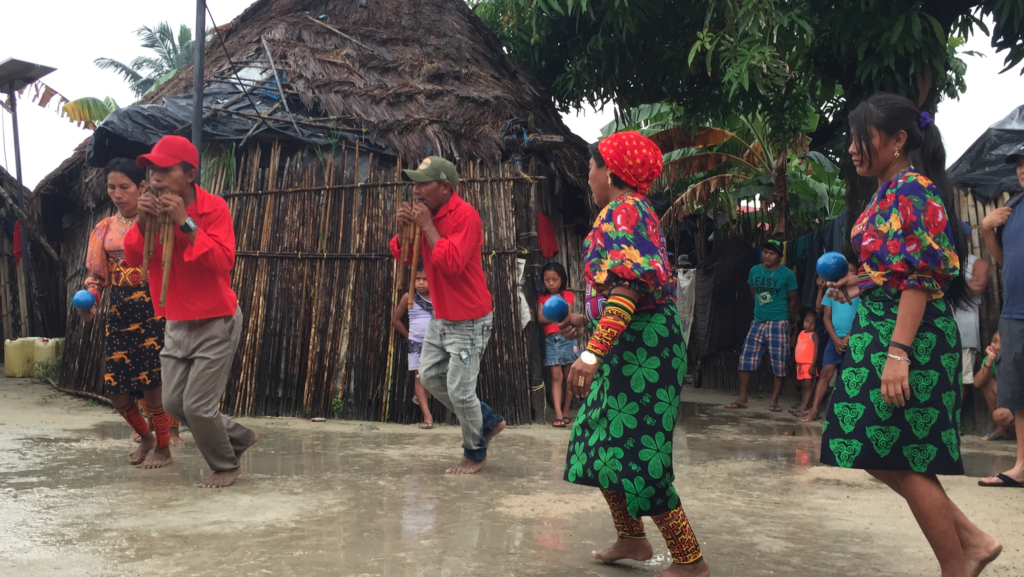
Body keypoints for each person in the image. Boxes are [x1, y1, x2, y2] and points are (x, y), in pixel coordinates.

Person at [822, 93, 1001, 576]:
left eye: (862, 138)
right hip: (879, 331)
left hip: (909, 339)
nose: (853, 148)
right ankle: (972, 542)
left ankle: (957, 565)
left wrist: (898, 353)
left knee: (904, 457)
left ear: (898, 140)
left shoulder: (913, 191)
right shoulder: (886, 191)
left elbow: (922, 277)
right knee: (867, 447)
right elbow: (894, 270)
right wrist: (857, 282)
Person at [558, 132, 710, 577]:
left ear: (611, 171)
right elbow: (633, 291)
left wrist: (591, 354)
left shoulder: (626, 211)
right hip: (630, 340)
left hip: (645, 349)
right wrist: (588, 322)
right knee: (596, 441)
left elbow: (629, 287)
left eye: (591, 167)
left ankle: (689, 560)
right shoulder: (625, 213)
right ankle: (632, 538)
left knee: (640, 452)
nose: (588, 176)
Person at [123, 135, 258, 489]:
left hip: (216, 319)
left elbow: (224, 260)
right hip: (177, 321)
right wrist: (140, 223)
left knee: (197, 406)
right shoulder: (148, 209)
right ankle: (239, 437)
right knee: (173, 403)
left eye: (166, 170)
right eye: (152, 169)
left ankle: (226, 464)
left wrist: (185, 222)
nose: (156, 177)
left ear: (191, 174)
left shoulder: (214, 208)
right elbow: (134, 259)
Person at [390, 156, 505, 475]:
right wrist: (403, 230)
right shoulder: (428, 215)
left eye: (423, 183)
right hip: (443, 314)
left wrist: (427, 226)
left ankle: (475, 452)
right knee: (427, 375)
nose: (416, 190)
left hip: (469, 317)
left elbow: (452, 263)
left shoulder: (465, 215)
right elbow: (407, 257)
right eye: (414, 183)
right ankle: (489, 421)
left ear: (444, 186)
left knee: (459, 390)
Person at [81, 158, 174, 469]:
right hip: (120, 313)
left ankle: (163, 448)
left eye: (125, 187)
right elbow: (96, 277)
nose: (117, 194)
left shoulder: (159, 224)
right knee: (117, 390)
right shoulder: (104, 229)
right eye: (111, 187)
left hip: (154, 311)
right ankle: (145, 436)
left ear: (142, 187)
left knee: (153, 388)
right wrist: (91, 301)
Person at [978, 144, 1024, 488]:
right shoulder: (1013, 206)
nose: (1022, 170)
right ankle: (1021, 466)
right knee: (1018, 391)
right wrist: (986, 229)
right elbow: (1004, 260)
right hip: (1014, 311)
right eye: (1020, 165)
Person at [726, 239, 799, 411]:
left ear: (780, 257)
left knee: (779, 361)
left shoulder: (787, 275)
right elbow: (754, 292)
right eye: (765, 251)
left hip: (778, 321)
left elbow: (793, 299)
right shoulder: (755, 270)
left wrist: (787, 320)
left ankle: (774, 401)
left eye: (772, 253)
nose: (767, 255)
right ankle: (742, 399)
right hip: (758, 321)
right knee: (745, 359)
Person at [800, 262, 862, 422]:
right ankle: (814, 410)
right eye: (844, 272)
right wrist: (835, 339)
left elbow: (861, 316)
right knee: (826, 373)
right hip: (834, 339)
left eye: (851, 272)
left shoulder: (860, 292)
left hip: (854, 338)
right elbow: (826, 317)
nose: (846, 275)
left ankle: (847, 413)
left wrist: (848, 337)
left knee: (852, 375)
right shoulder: (831, 291)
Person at [390, 267, 435, 429]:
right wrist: (410, 336)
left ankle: (423, 395)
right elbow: (396, 319)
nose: (421, 283)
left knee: (442, 373)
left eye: (425, 279)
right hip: (415, 343)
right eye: (417, 279)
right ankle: (427, 416)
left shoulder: (438, 297)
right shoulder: (408, 297)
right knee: (419, 377)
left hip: (435, 343)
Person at [537, 262, 579, 427]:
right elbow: (540, 318)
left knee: (569, 376)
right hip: (552, 340)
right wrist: (558, 316)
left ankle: (567, 410)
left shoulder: (567, 295)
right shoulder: (542, 297)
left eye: (555, 279)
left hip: (567, 337)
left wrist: (553, 316)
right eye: (547, 279)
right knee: (556, 376)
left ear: (562, 280)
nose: (551, 283)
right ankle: (559, 414)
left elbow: (566, 315)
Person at [953, 223, 990, 391]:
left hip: (964, 332)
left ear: (968, 239)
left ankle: (956, 417)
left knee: (962, 379)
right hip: (937, 329)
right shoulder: (938, 261)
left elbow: (977, 286)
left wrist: (943, 287)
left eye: (959, 235)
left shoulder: (978, 263)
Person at [973, 332, 1016, 441]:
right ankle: (1004, 429)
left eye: (1002, 343)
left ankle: (1006, 429)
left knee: (1000, 415)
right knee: (987, 382)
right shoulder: (995, 359)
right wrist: (990, 359)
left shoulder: (1018, 359)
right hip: (1011, 403)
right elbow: (978, 383)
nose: (996, 347)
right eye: (994, 341)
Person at [793, 311, 819, 414]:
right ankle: (804, 405)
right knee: (804, 387)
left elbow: (816, 351)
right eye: (806, 321)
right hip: (800, 365)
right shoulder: (800, 333)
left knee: (808, 387)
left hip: (808, 365)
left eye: (812, 323)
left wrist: (813, 365)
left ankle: (804, 406)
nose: (808, 325)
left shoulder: (814, 335)